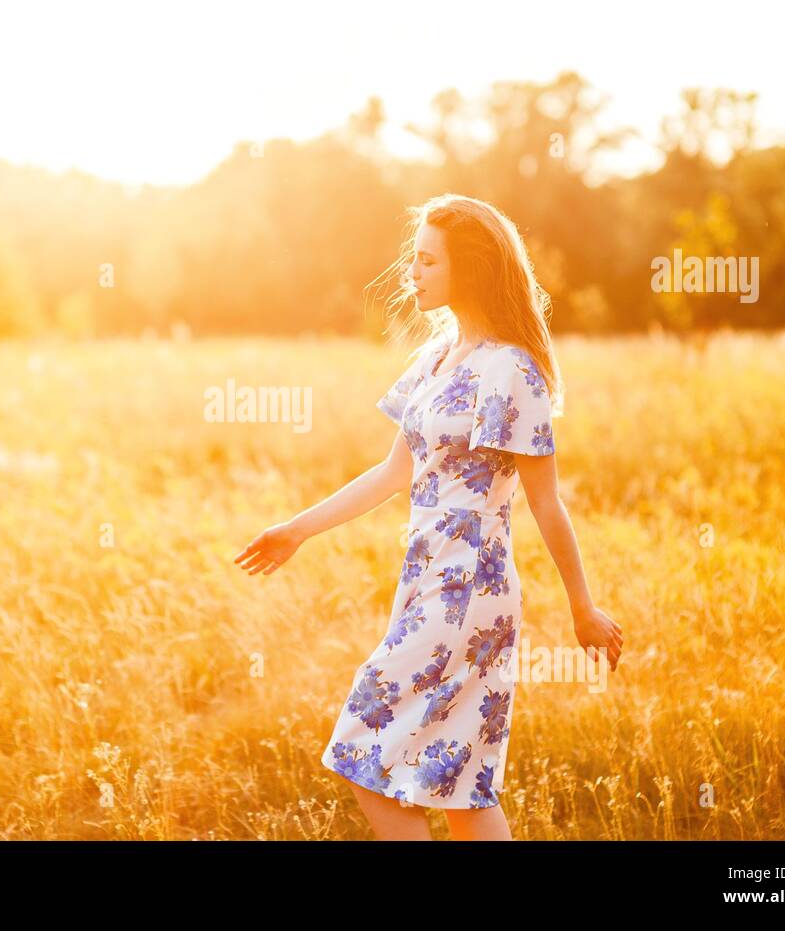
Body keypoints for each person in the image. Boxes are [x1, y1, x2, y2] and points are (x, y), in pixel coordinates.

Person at [233, 194, 623, 840]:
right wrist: (296, 529)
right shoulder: (436, 360)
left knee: (363, 749)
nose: (412, 272)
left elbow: (546, 501)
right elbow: (393, 472)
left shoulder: (510, 370)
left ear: (465, 270)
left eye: (427, 261)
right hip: (424, 584)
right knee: (459, 784)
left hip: (467, 591)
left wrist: (582, 608)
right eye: (413, 258)